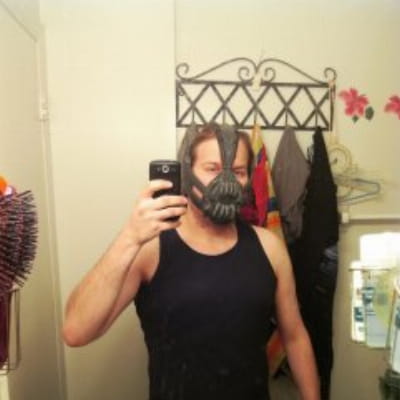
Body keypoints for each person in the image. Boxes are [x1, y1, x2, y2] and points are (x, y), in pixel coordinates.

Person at [63, 122, 320, 400]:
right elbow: (76, 331)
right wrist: (129, 237)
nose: (226, 182)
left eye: (237, 172)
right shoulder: (150, 247)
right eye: (212, 169)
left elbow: (294, 336)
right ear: (187, 172)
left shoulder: (270, 247)